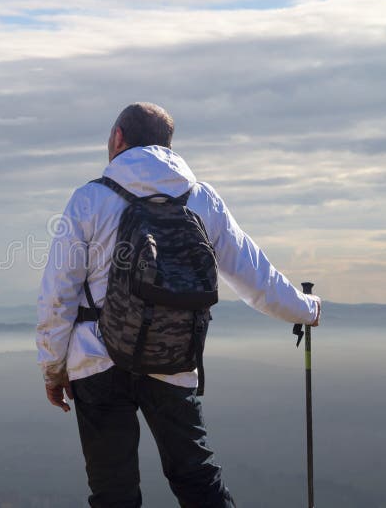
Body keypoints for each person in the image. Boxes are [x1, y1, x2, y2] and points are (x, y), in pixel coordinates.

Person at [35, 102, 321, 507]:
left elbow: (57, 294)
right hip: (172, 358)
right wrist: (306, 309)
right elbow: (255, 275)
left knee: (112, 493)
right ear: (169, 145)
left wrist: (53, 368)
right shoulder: (201, 199)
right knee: (197, 479)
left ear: (118, 139)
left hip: (95, 361)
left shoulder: (88, 200)